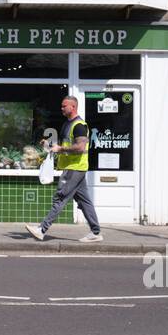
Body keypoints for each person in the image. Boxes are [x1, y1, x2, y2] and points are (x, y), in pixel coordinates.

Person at [26, 96, 104, 243]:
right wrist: (50, 146)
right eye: (62, 106)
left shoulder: (80, 125)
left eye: (64, 106)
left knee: (60, 197)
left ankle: (42, 229)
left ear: (73, 107)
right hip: (75, 168)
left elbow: (80, 148)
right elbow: (64, 146)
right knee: (84, 201)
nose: (61, 108)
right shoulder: (67, 124)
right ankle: (96, 232)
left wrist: (60, 148)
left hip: (74, 168)